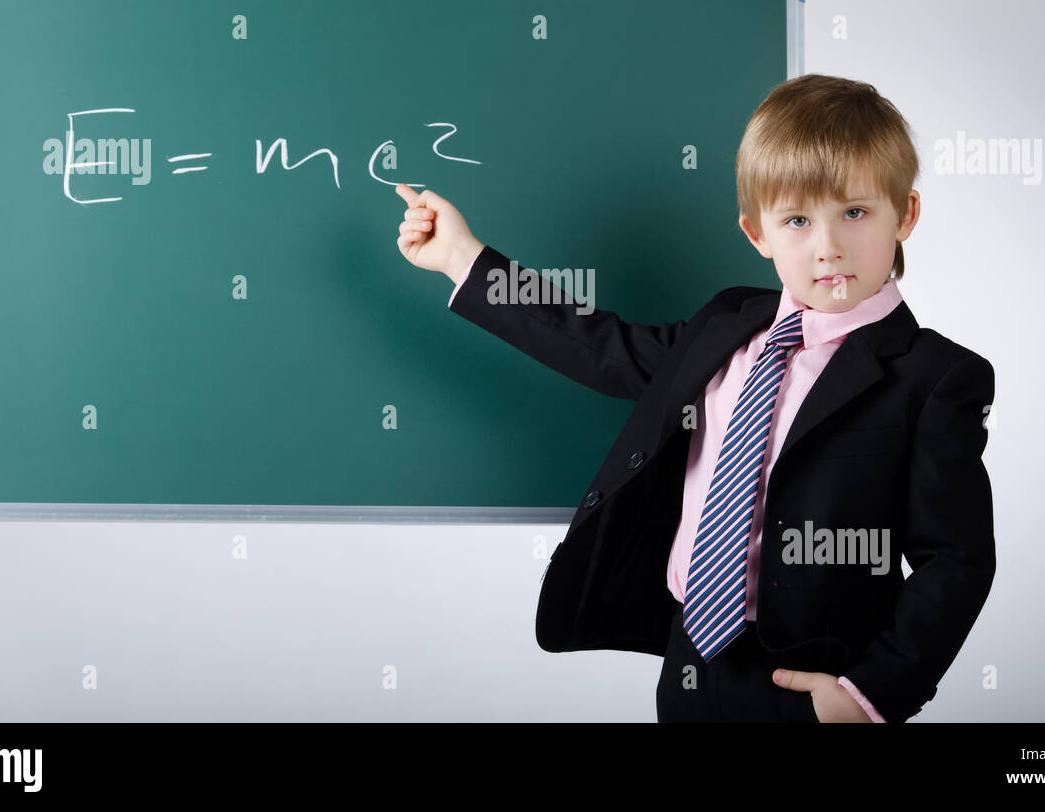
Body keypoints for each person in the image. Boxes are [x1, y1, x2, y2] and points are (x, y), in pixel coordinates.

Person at [392, 73, 996, 722]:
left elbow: (955, 561)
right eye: (797, 219)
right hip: (688, 657)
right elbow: (602, 345)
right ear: (757, 234)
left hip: (812, 680)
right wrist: (462, 256)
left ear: (904, 213)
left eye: (855, 211)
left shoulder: (934, 376)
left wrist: (871, 694)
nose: (828, 247)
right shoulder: (727, 323)